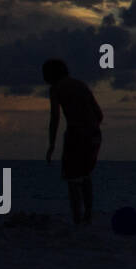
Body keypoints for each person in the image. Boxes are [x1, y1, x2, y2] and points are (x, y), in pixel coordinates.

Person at [43, 59, 104, 224]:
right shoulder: (81, 85)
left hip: (76, 134)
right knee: (85, 176)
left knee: (72, 180)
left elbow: (55, 117)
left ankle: (77, 218)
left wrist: (51, 144)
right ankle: (88, 216)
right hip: (93, 134)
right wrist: (90, 126)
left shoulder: (56, 89)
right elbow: (99, 114)